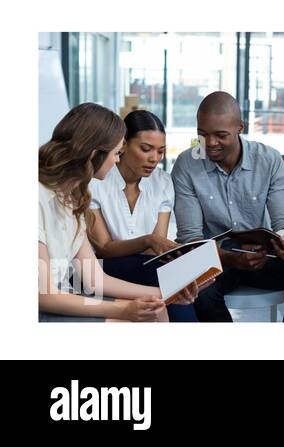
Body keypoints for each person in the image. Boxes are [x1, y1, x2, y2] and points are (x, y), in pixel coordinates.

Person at [39, 103, 201, 322]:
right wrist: (122, 311)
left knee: (156, 308)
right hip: (46, 305)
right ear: (95, 154)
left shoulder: (71, 199)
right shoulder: (39, 198)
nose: (117, 160)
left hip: (68, 292)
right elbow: (45, 295)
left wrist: (167, 294)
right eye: (116, 153)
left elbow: (95, 279)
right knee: (141, 316)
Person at [172, 92, 284, 321]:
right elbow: (190, 239)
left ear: (240, 127)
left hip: (265, 255)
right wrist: (229, 257)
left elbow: (283, 224)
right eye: (203, 134)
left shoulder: (269, 160)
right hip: (217, 257)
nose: (210, 143)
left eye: (221, 135)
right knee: (197, 286)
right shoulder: (187, 164)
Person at [86, 109, 196, 321]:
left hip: (145, 267)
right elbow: (104, 248)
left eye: (161, 151)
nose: (154, 159)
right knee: (161, 275)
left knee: (178, 274)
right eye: (146, 149)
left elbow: (157, 250)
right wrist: (149, 240)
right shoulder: (97, 180)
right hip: (102, 267)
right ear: (123, 144)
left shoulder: (162, 182)